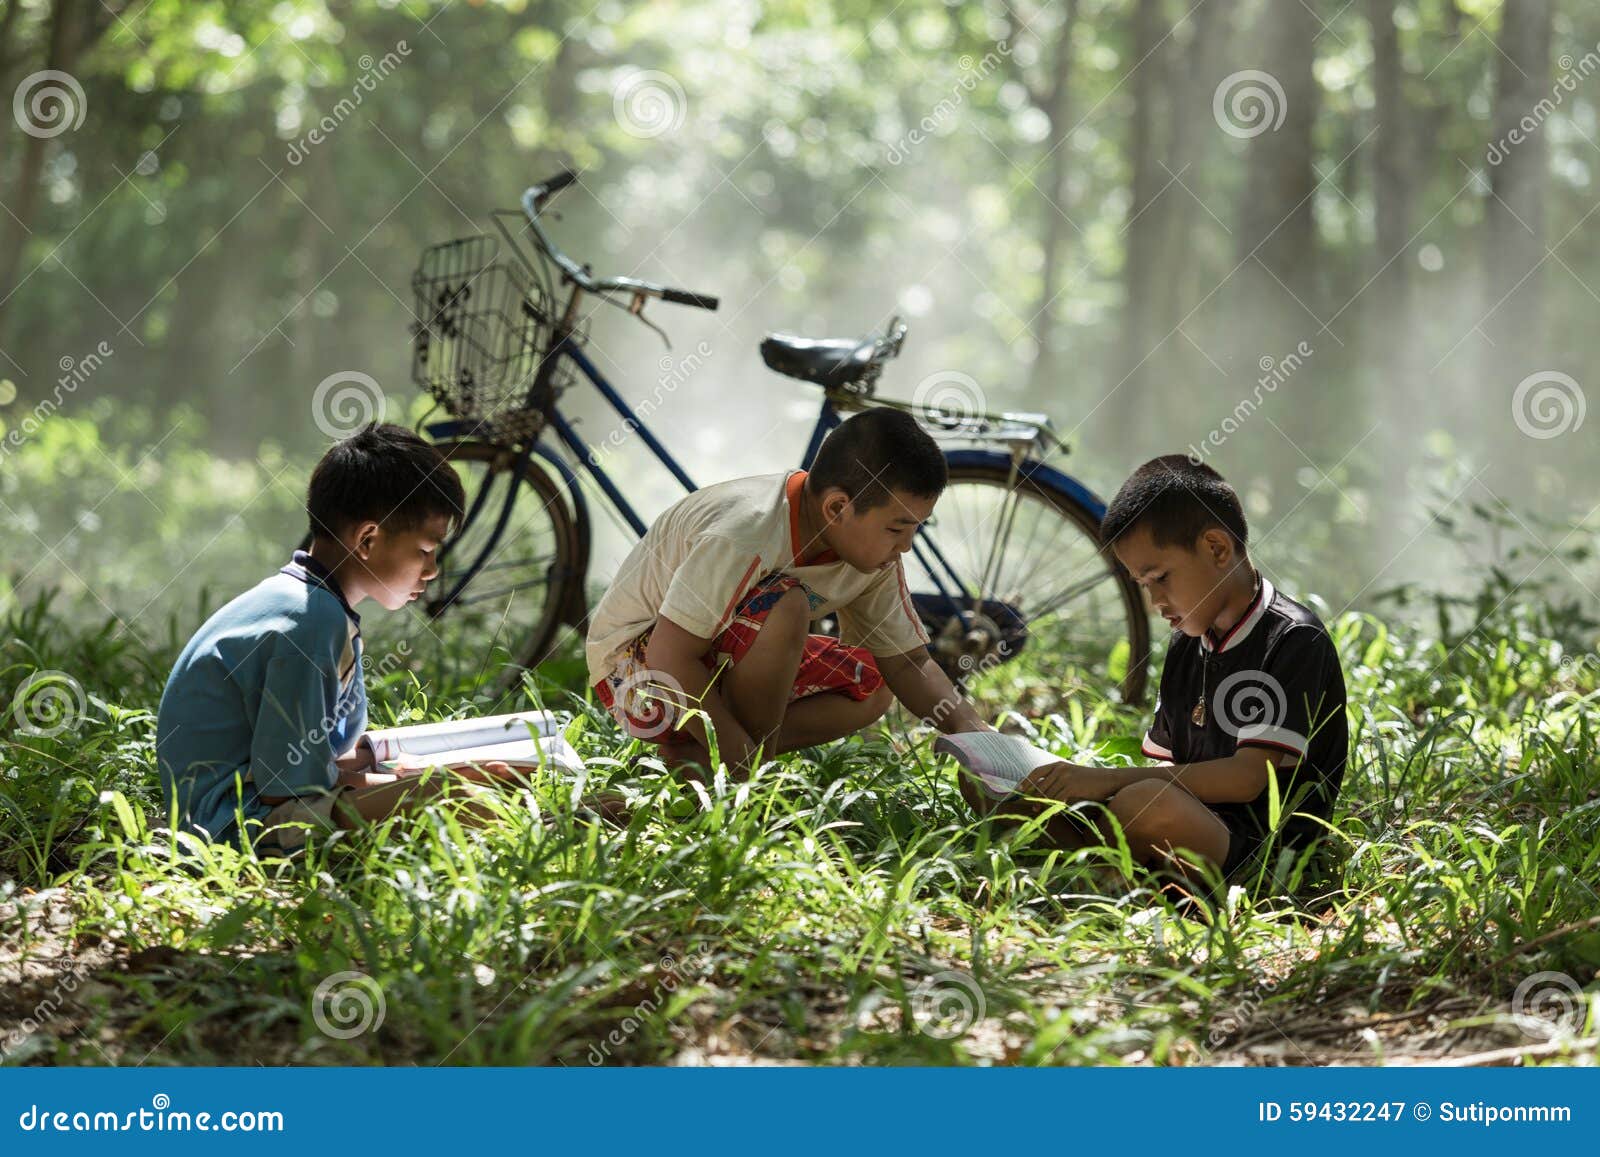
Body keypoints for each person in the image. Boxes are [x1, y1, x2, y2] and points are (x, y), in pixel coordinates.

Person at [156, 423, 534, 853]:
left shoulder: (311, 605)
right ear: (368, 540)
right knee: (448, 796)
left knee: (457, 769)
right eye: (427, 550)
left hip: (257, 798)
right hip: (232, 825)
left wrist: (396, 771)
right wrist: (410, 781)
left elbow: (314, 757)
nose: (432, 571)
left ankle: (556, 806)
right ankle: (568, 817)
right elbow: (286, 789)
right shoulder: (310, 623)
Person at [991, 455, 1347, 891]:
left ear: (1216, 548)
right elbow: (1171, 768)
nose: (1154, 601)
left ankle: (1090, 869)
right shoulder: (1187, 643)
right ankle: (1098, 864)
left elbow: (1245, 779)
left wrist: (1104, 781)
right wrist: (1081, 783)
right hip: (1180, 828)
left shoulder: (1292, 639)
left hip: (1264, 857)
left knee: (1144, 802)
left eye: (1160, 578)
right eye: (1143, 586)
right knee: (998, 786)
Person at [586, 408, 991, 776]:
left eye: (917, 528)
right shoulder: (746, 532)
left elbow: (909, 663)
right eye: (897, 528)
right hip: (636, 677)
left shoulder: (873, 557)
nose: (906, 546)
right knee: (785, 604)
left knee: (873, 678)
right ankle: (734, 770)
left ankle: (704, 765)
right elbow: (668, 655)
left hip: (701, 662)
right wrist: (734, 749)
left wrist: (971, 728)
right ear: (837, 508)